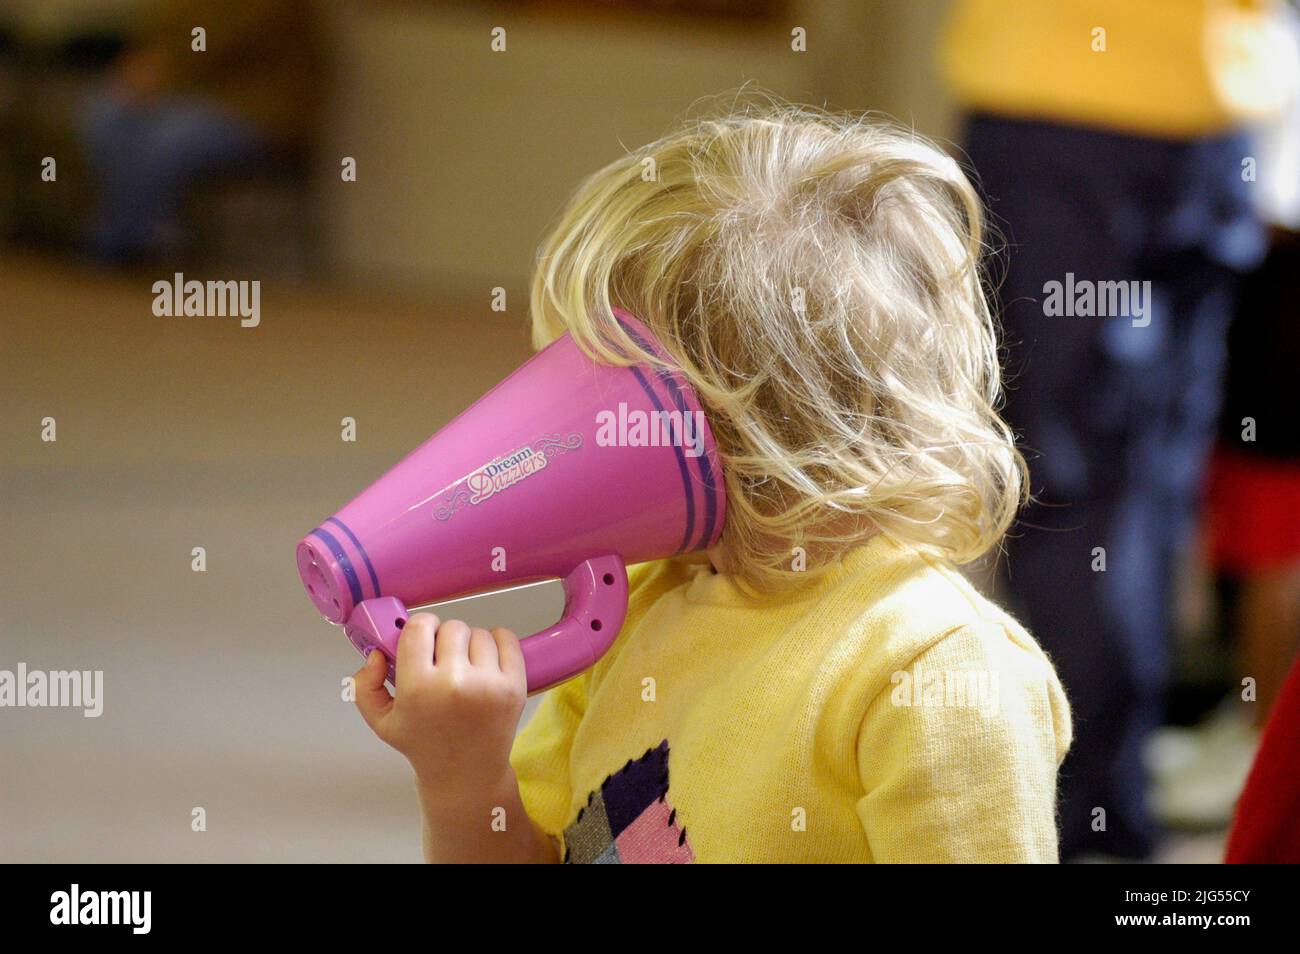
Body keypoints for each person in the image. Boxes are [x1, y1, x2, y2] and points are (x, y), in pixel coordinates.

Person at [350, 103, 1072, 863]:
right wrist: (463, 779)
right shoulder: (640, 605)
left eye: (587, 398)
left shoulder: (935, 673)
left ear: (742, 430)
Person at [940, 0, 1295, 859]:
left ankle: (1089, 822)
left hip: (1072, 108)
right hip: (1211, 106)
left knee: (1095, 489)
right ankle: (1107, 817)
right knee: (1135, 493)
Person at [79, 0, 326, 263]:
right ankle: (150, 226)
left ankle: (120, 241)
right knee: (105, 113)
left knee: (170, 137)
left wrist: (165, 70)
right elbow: (159, 35)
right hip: (187, 97)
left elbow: (221, 44)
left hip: (259, 110)